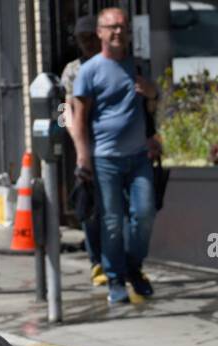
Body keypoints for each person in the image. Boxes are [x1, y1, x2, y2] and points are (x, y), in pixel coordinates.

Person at [68, 7, 160, 306]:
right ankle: (116, 277)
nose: (118, 32)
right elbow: (79, 118)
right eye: (112, 27)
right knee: (111, 221)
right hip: (105, 158)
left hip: (138, 156)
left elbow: (158, 105)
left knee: (144, 214)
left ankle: (133, 266)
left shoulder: (139, 66)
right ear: (100, 33)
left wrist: (152, 93)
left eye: (122, 27)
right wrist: (83, 157)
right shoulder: (89, 71)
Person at [61, 15, 105, 289]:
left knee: (113, 208)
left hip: (112, 144)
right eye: (82, 39)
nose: (87, 43)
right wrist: (80, 147)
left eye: (91, 37)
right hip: (85, 146)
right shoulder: (73, 71)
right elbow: (68, 110)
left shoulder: (112, 63)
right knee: (89, 206)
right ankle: (96, 260)